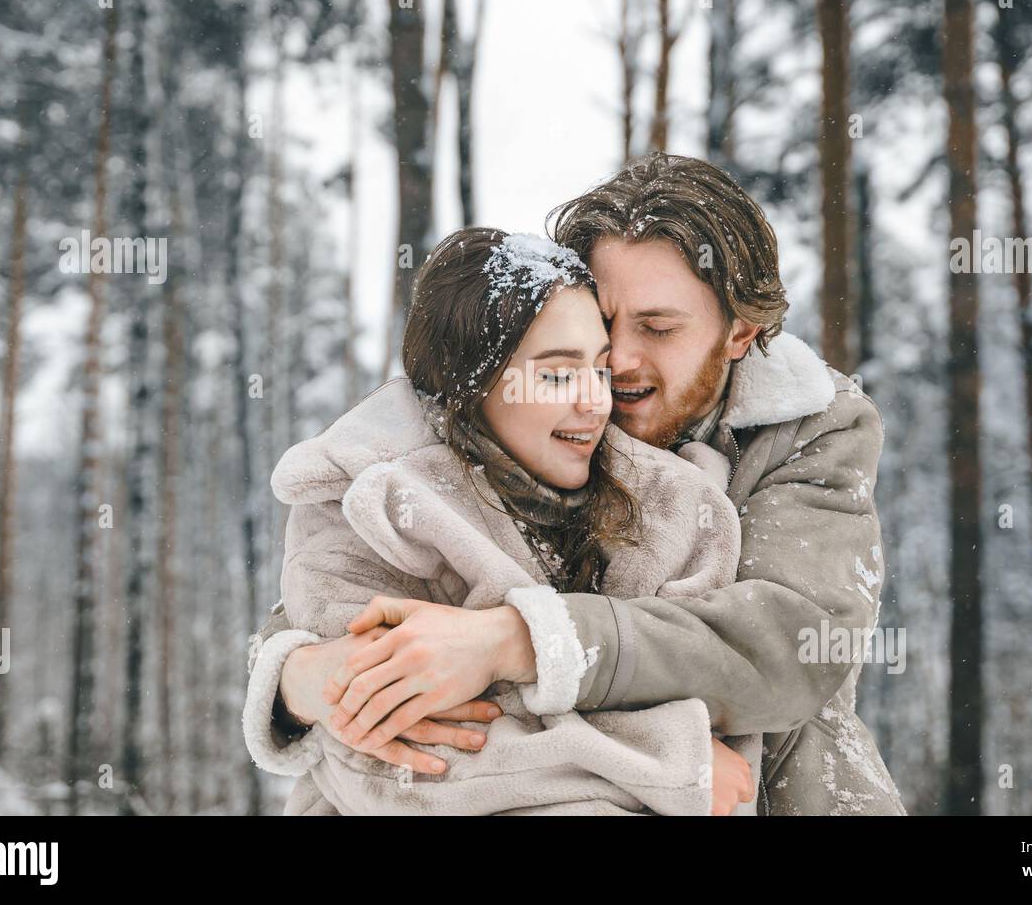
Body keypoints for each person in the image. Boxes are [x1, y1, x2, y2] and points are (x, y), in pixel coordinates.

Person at [248, 152, 907, 815]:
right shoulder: (533, 405)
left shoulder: (807, 430)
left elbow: (786, 646)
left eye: (657, 328)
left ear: (740, 331)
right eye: (602, 323)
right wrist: (300, 677)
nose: (616, 363)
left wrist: (517, 640)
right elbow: (355, 586)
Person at [245, 228, 760, 814]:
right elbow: (386, 771)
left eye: (598, 367)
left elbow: (728, 747)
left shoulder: (674, 506)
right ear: (473, 382)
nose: (596, 400)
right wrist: (661, 766)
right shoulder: (364, 505)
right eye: (557, 373)